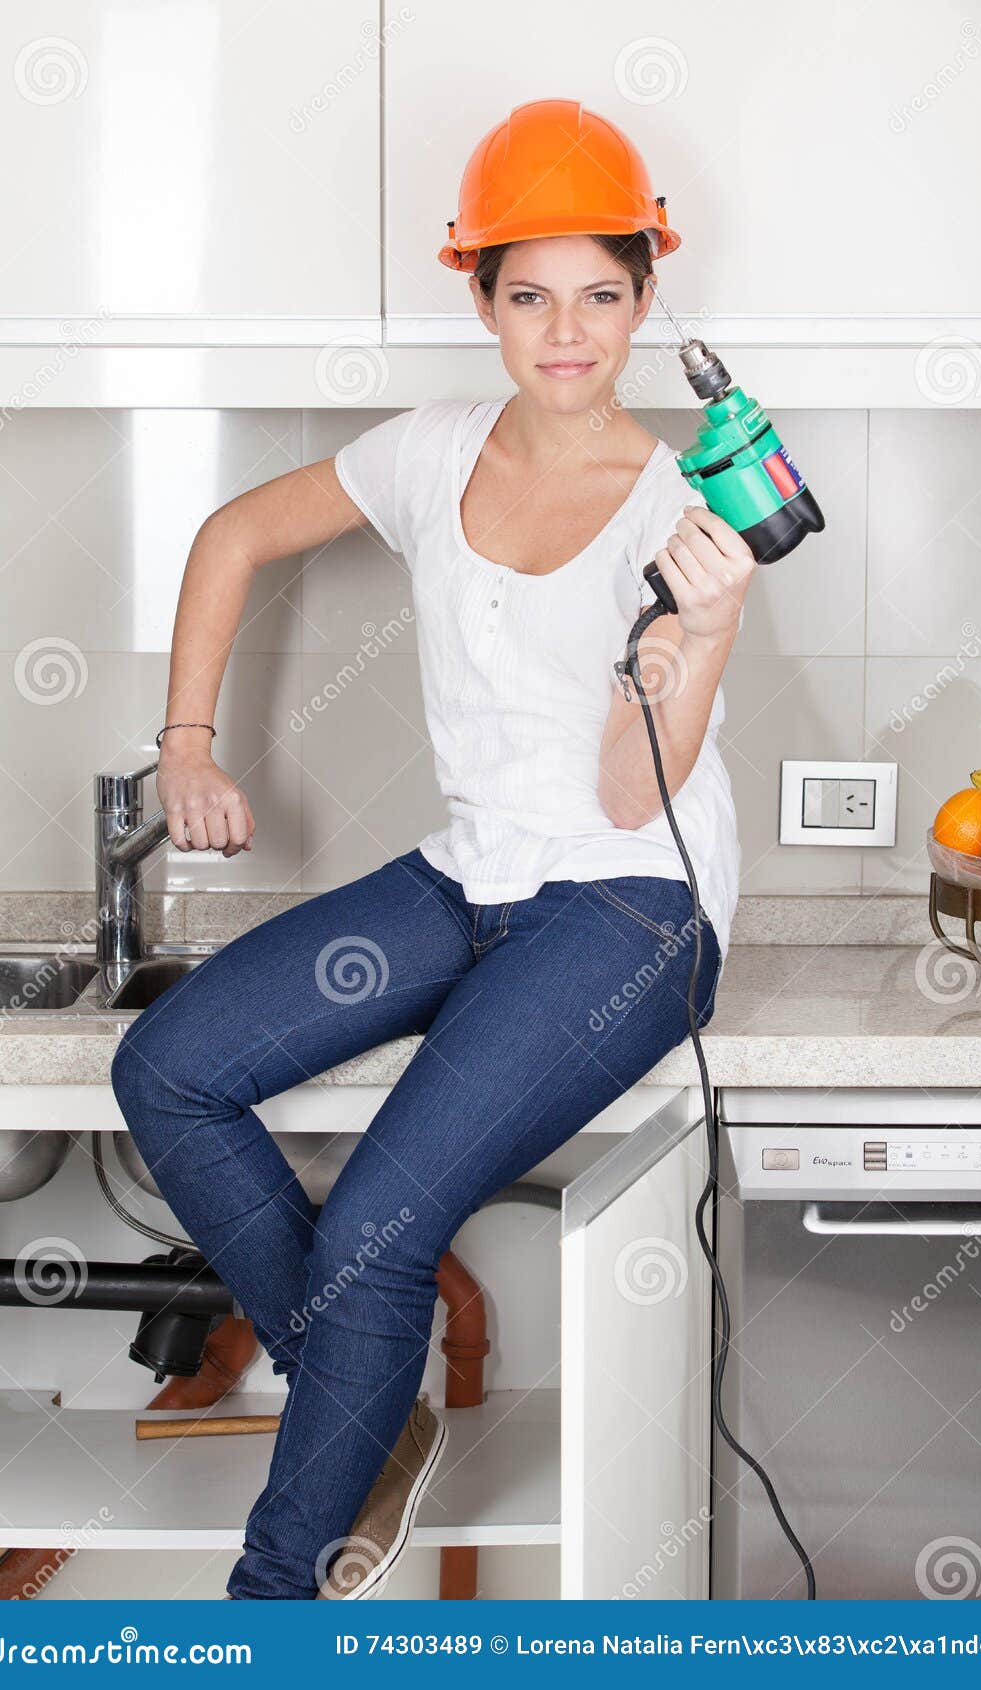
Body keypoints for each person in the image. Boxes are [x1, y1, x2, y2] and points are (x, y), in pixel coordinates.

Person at [110, 99, 753, 1601]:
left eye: (602, 293)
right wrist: (187, 743)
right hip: (472, 877)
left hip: (630, 905)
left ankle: (272, 1605)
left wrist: (700, 633)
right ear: (481, 300)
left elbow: (619, 793)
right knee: (170, 1068)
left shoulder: (684, 508)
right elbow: (232, 534)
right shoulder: (429, 453)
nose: (568, 330)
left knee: (381, 1229)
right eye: (529, 295)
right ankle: (364, 1389)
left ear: (647, 298)